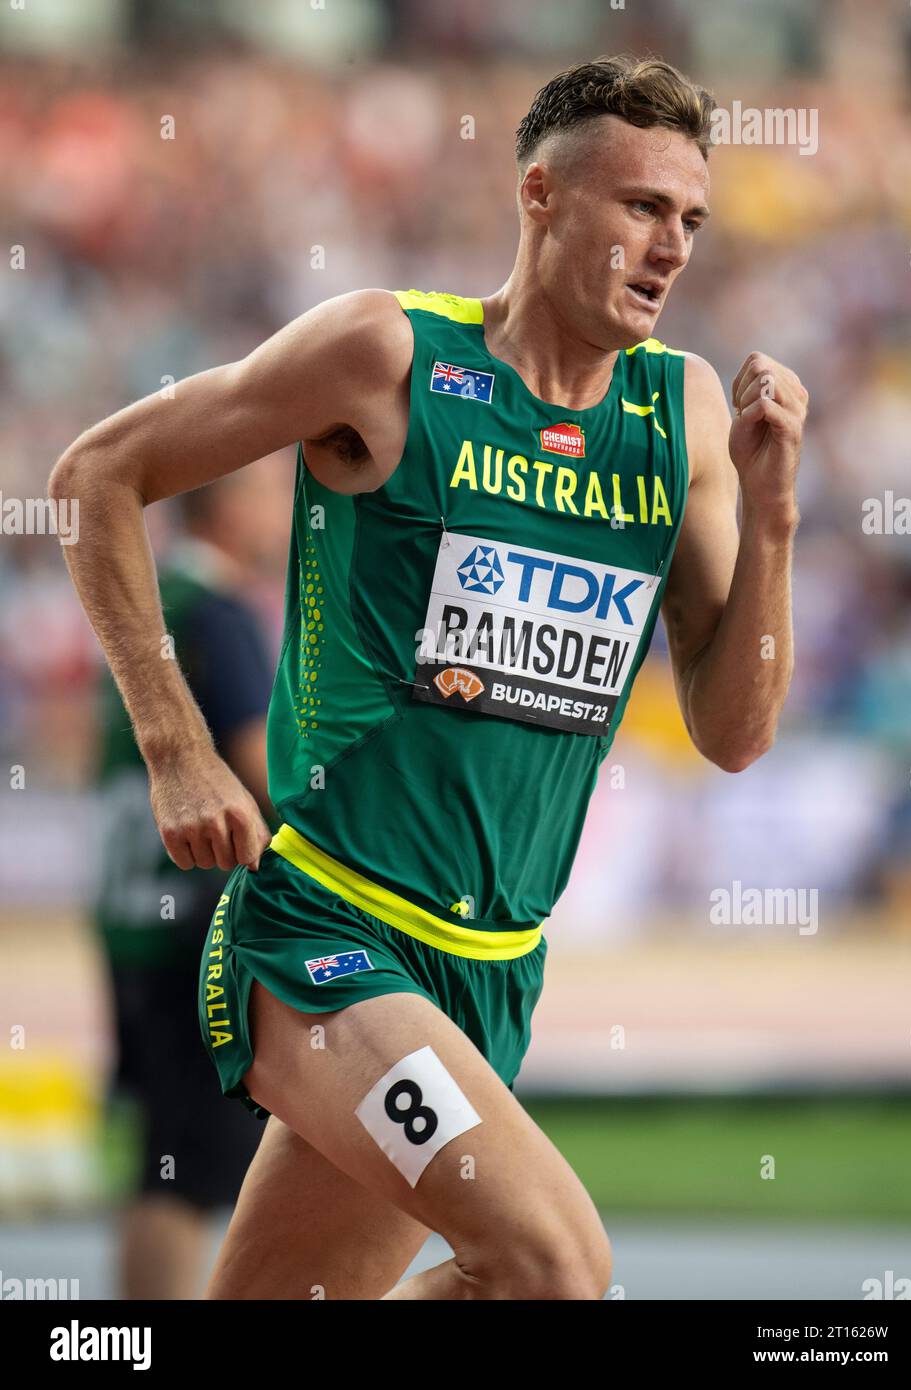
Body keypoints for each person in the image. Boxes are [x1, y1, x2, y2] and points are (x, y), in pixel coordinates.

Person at [49, 54, 808, 1300]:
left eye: (689, 220)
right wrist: (177, 746)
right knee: (555, 1268)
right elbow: (93, 477)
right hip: (326, 936)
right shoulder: (384, 353)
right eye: (638, 207)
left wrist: (771, 518)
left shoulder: (680, 420)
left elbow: (733, 733)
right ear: (540, 196)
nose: (670, 246)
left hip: (493, 967)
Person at [91, 466, 282, 1298]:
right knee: (196, 1169)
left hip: (130, 910)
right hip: (196, 919)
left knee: (161, 1159)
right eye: (274, 490)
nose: (287, 505)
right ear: (230, 505)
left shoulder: (152, 607)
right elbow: (264, 764)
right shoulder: (218, 609)